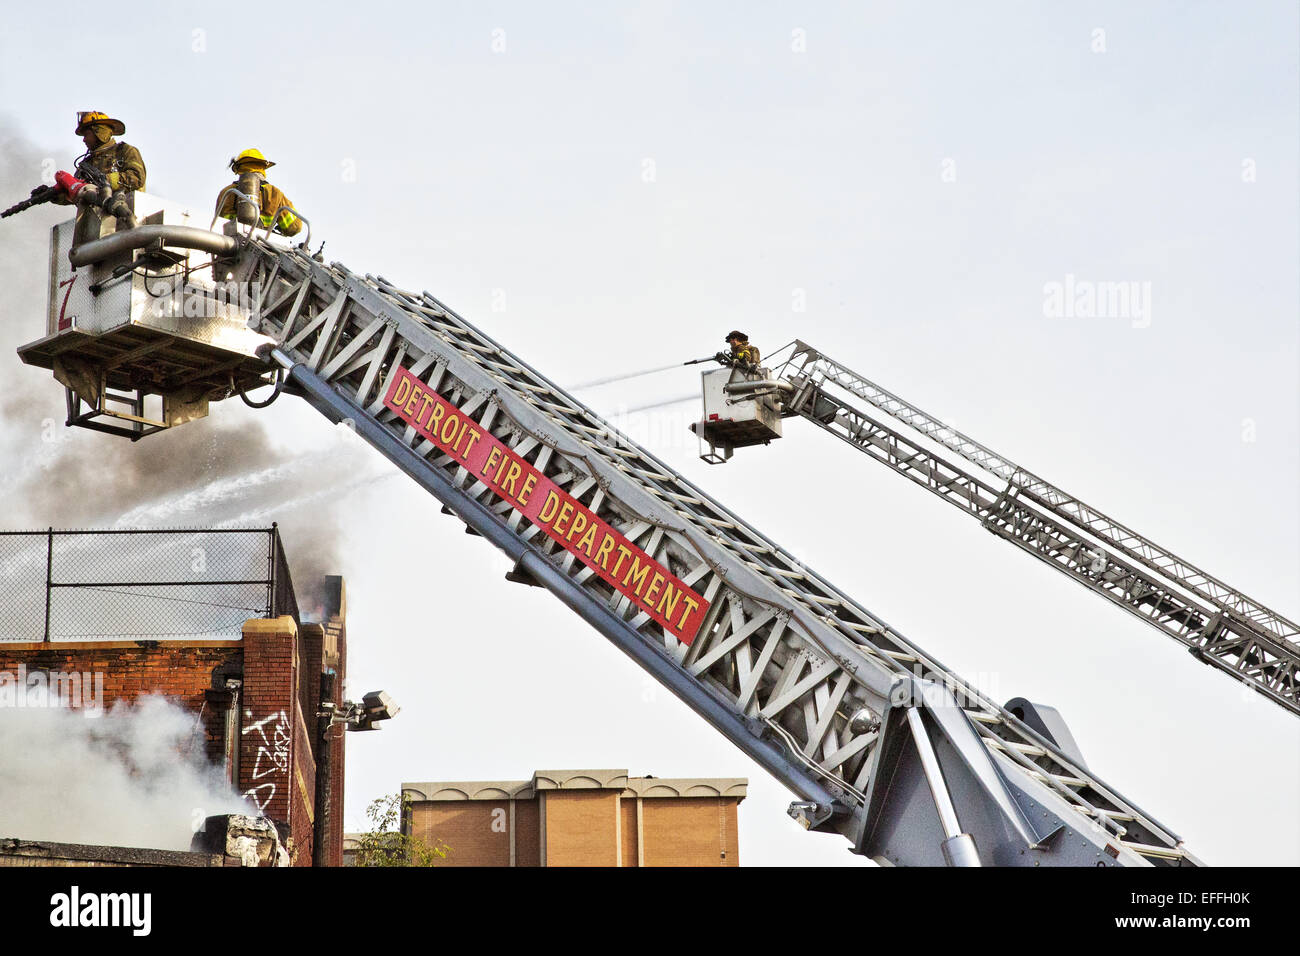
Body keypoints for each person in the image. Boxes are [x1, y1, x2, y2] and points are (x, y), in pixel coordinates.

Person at [216, 149, 302, 236]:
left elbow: (217, 225)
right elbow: (294, 227)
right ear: (262, 167)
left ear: (239, 168)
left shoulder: (226, 193)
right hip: (265, 242)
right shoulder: (274, 193)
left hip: (230, 244)